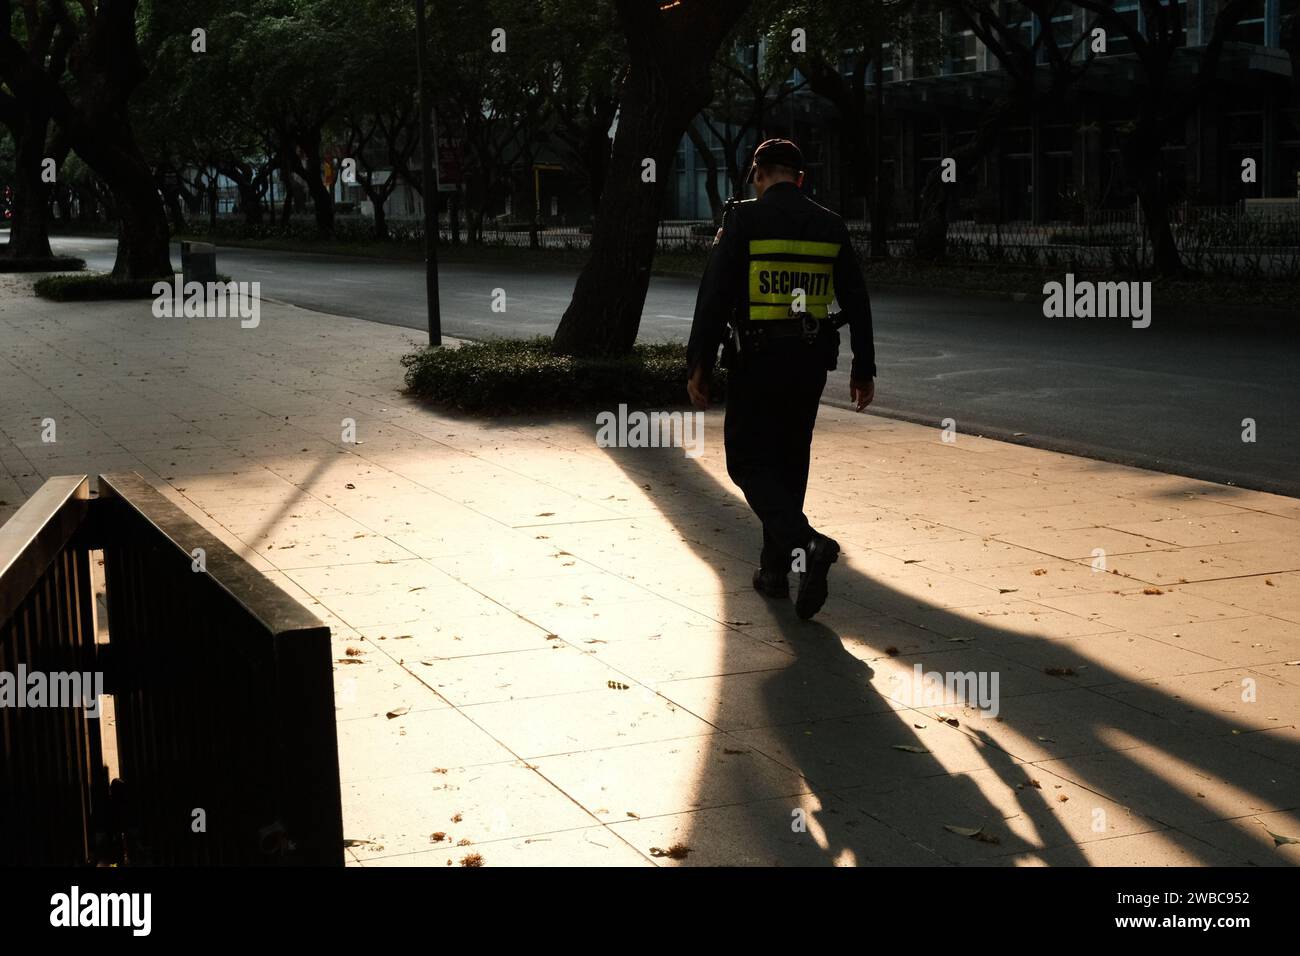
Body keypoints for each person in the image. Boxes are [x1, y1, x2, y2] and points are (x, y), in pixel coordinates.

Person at [686, 138, 876, 620]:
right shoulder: (830, 224)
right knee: (790, 465)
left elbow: (713, 297)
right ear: (801, 178)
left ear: (757, 174)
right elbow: (856, 299)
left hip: (757, 362)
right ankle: (774, 573)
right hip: (811, 363)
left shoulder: (743, 221)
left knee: (747, 463)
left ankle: (809, 544)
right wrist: (863, 367)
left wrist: (699, 365)